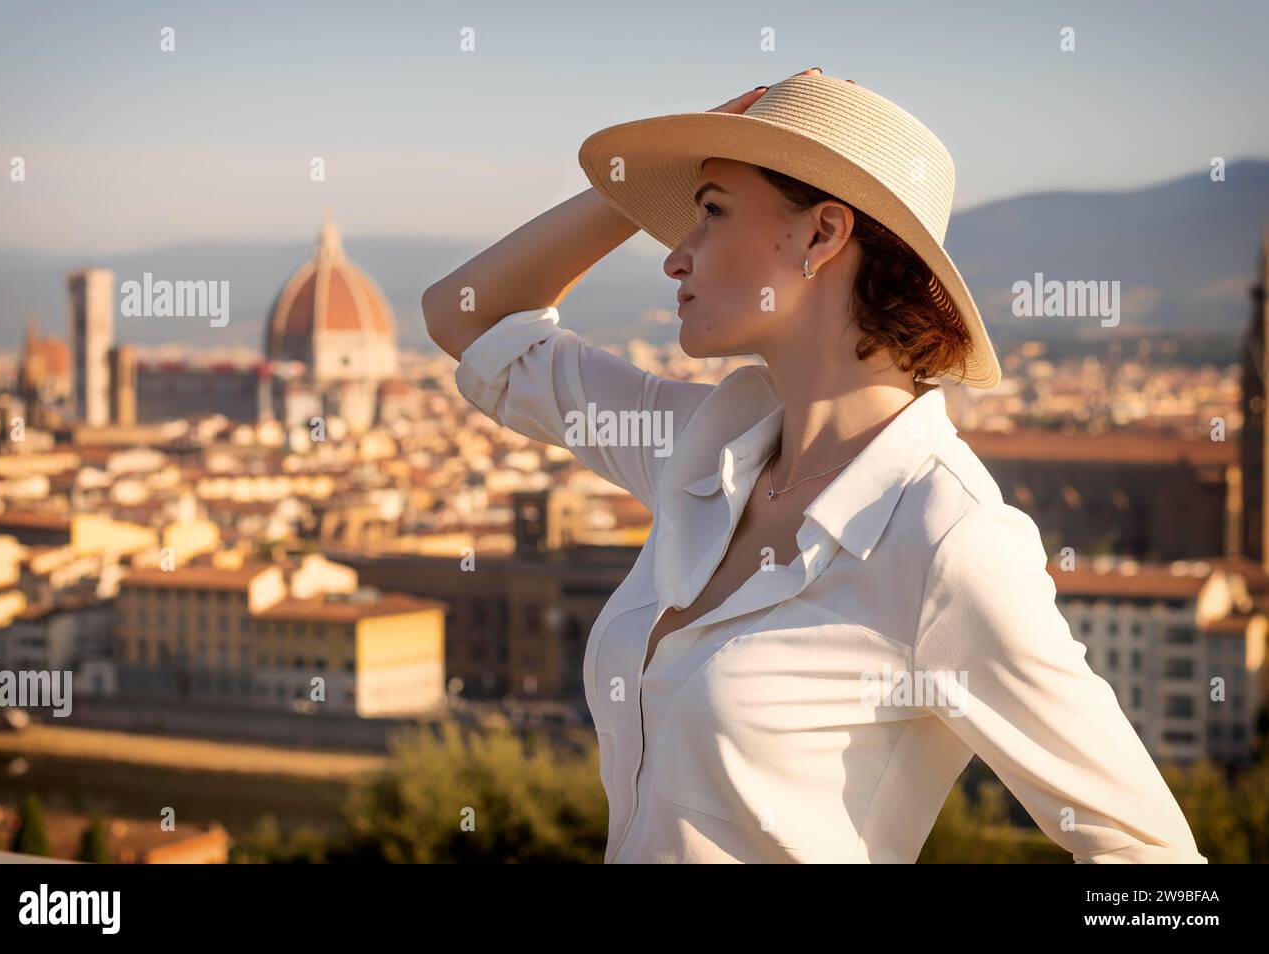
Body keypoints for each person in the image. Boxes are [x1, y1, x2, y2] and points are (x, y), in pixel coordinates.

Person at [422, 68, 1207, 864]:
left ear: (823, 235)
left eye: (711, 214)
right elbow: (468, 317)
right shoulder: (703, 442)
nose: (675, 258)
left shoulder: (949, 539)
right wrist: (632, 185)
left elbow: (1153, 862)